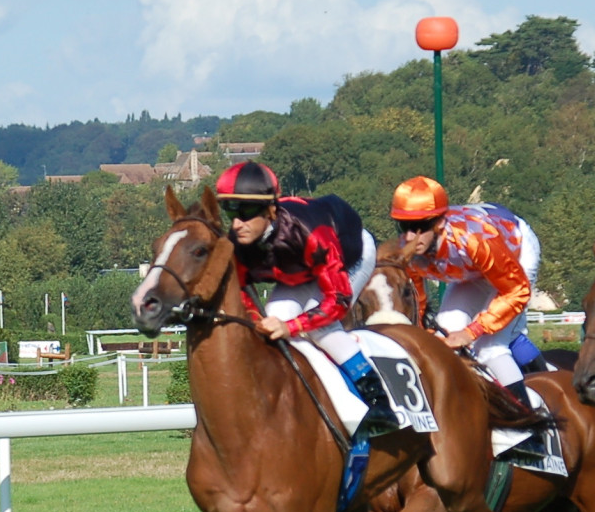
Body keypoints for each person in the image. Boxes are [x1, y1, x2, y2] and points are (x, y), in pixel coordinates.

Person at [214, 161, 397, 438]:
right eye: (230, 210)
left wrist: (290, 327)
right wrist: (260, 321)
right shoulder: (239, 244)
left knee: (319, 324)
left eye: (247, 211)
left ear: (271, 210)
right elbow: (242, 293)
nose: (237, 223)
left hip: (351, 257)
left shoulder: (312, 234)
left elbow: (336, 301)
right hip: (301, 269)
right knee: (276, 313)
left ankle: (378, 400)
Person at [388, 176, 536, 402]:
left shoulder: (474, 240)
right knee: (442, 336)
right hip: (471, 269)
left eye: (419, 227)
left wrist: (472, 331)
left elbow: (516, 290)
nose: (410, 237)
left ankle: (531, 423)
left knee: (490, 348)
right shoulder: (407, 251)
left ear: (439, 223)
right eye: (404, 227)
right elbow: (418, 302)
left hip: (513, 254)